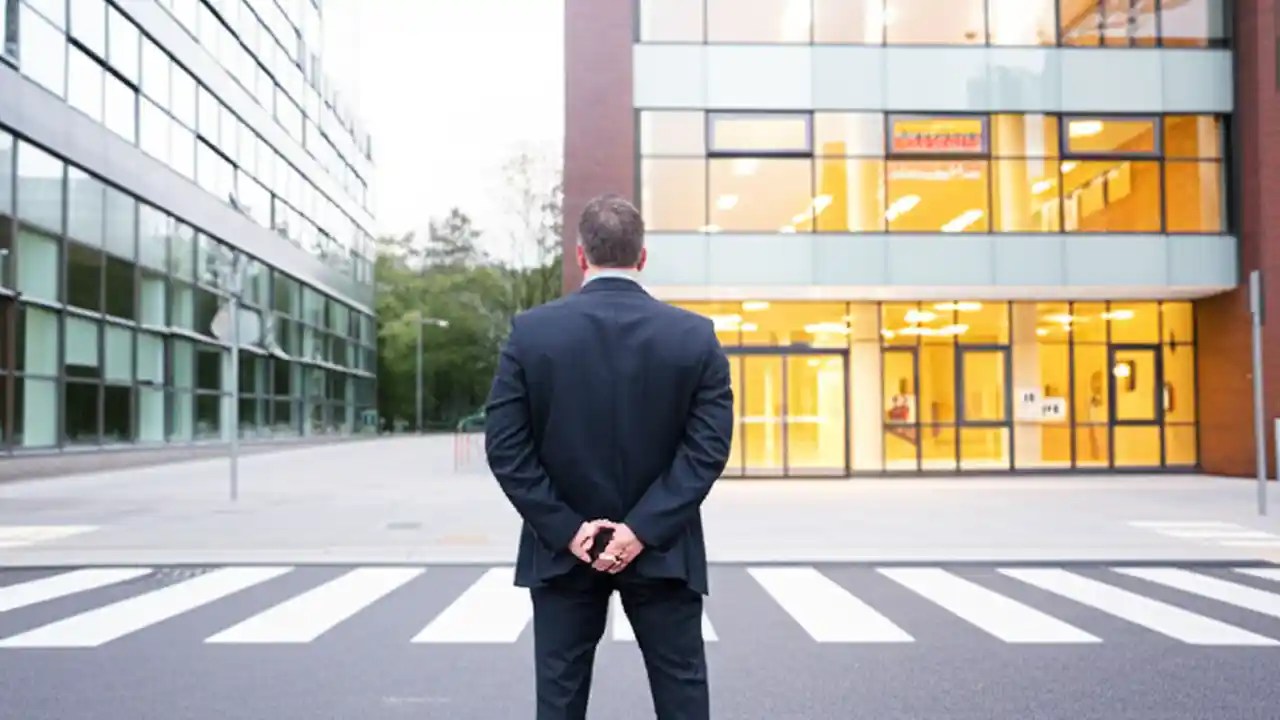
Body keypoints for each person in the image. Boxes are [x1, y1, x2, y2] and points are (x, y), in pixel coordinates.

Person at [484, 194, 734, 720]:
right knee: (681, 693)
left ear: (580, 257)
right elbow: (706, 449)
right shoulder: (693, 335)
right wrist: (641, 529)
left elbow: (506, 446)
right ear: (642, 258)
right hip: (664, 550)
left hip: (562, 552)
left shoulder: (531, 333)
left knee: (559, 701)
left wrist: (568, 529)